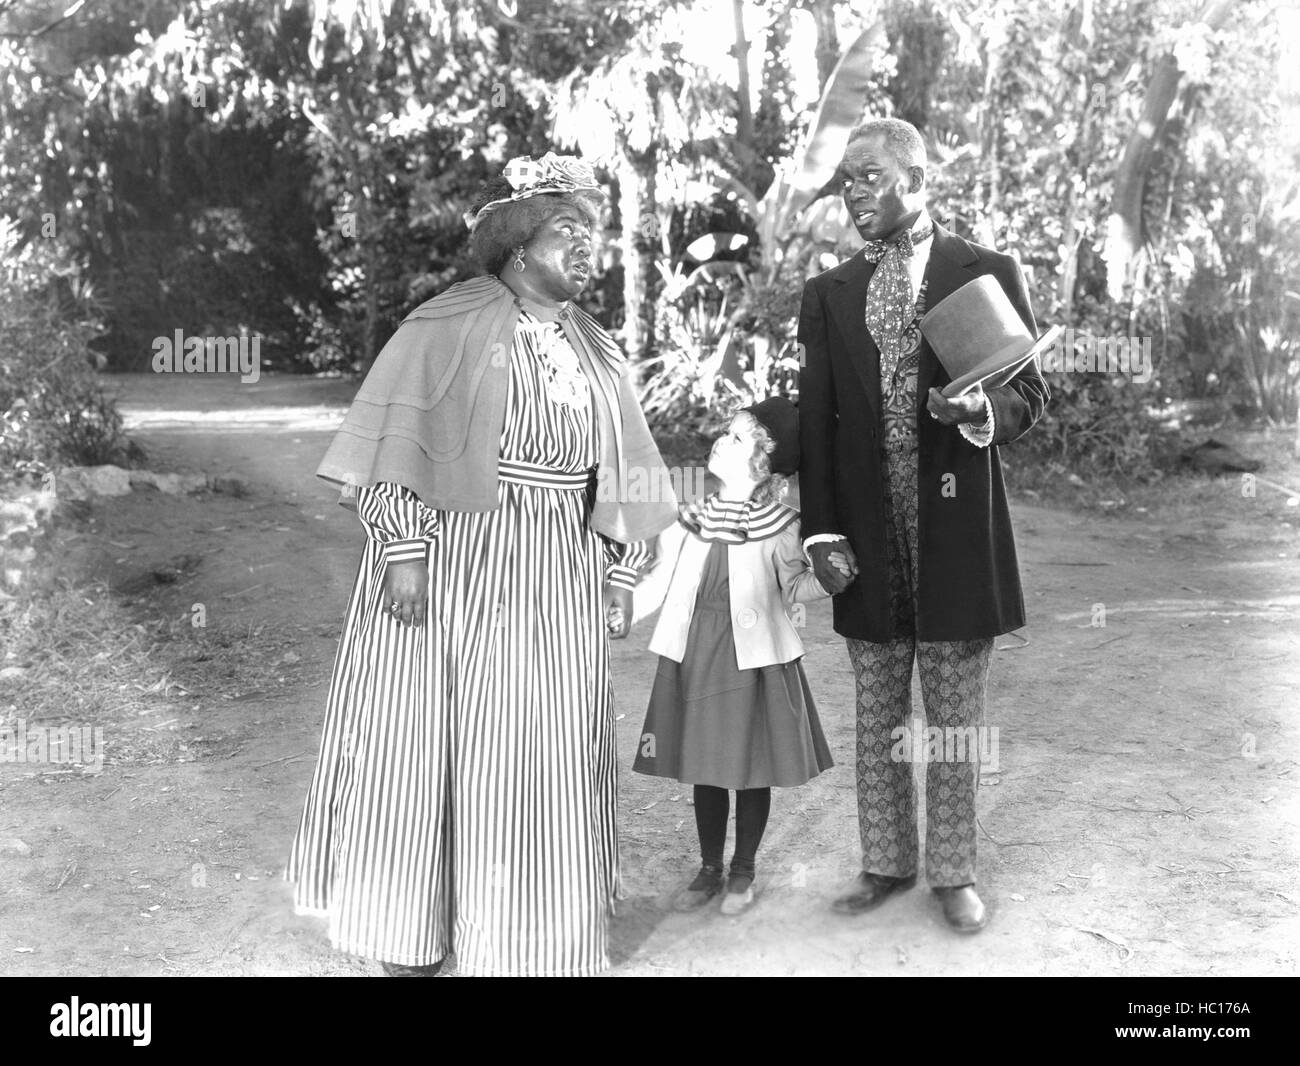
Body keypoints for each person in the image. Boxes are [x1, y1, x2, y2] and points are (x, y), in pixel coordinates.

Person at [285, 153, 678, 976]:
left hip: (558, 574)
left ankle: (526, 936)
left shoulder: (597, 350)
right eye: (568, 229)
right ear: (517, 245)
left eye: (592, 232)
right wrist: (402, 548)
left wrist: (621, 568)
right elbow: (396, 443)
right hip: (459, 559)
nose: (587, 245)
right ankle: (410, 929)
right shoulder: (445, 324)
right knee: (430, 738)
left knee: (543, 747)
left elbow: (626, 469)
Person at [797, 118, 1049, 933]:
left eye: (868, 176)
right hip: (865, 524)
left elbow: (1029, 397)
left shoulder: (986, 271)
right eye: (845, 180)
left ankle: (953, 872)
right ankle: (884, 861)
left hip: (953, 520)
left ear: (914, 177)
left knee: (952, 707)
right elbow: (818, 422)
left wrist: (980, 410)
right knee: (876, 699)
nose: (853, 192)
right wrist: (820, 532)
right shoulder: (829, 292)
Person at [631, 397, 835, 916]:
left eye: (738, 438)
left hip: (754, 657)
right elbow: (659, 581)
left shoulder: (783, 524)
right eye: (726, 431)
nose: (722, 440)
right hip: (695, 650)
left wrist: (828, 580)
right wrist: (619, 611)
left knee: (751, 764)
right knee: (705, 762)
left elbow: (795, 586)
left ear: (764, 464)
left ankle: (743, 869)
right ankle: (708, 868)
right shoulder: (691, 515)